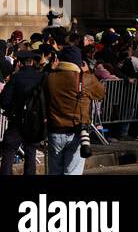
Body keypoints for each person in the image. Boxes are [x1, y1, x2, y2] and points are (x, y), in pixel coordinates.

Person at [45, 44, 106, 175]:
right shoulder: (86, 79)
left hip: (55, 130)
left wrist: (51, 70)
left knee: (54, 171)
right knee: (72, 171)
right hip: (77, 131)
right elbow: (101, 93)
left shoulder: (50, 77)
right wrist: (88, 72)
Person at [0, 48, 45, 176]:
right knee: (31, 152)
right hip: (34, 121)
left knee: (9, 151)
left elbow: (4, 101)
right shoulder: (41, 77)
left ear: (20, 63)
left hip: (17, 119)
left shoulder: (16, 78)